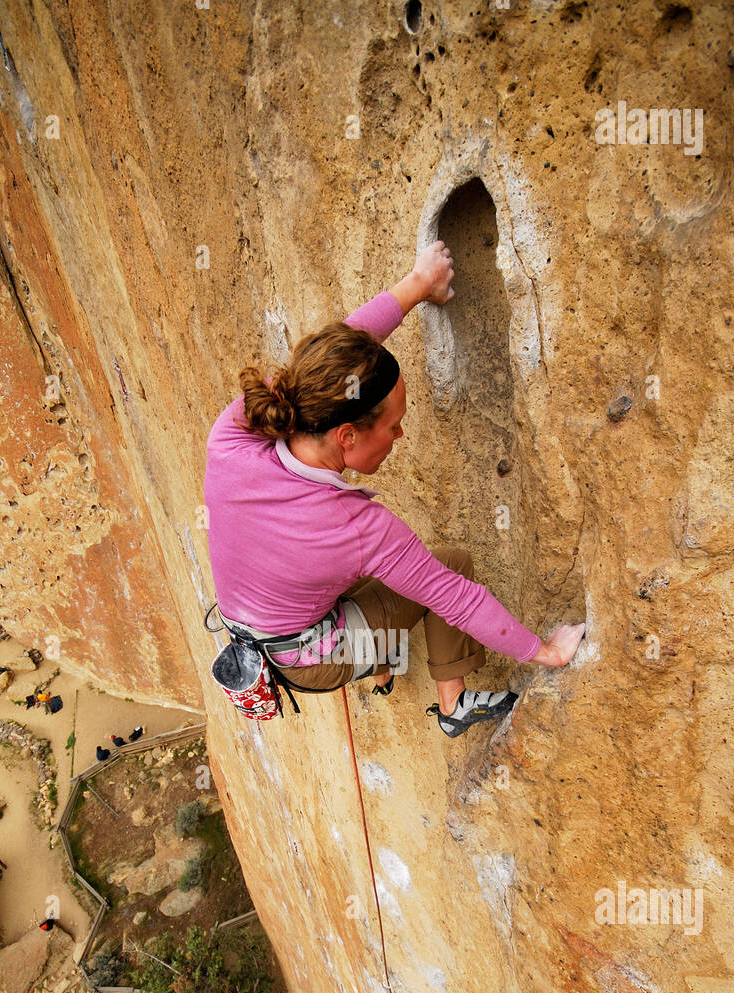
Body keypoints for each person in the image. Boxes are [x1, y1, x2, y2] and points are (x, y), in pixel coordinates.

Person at [204, 241, 585, 737]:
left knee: (341, 578)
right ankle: (455, 703)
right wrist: (546, 652)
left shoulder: (232, 435)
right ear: (347, 436)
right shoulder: (357, 528)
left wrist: (417, 286)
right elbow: (456, 597)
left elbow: (325, 371)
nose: (400, 436)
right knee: (451, 563)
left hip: (253, 627)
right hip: (312, 659)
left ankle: (382, 663)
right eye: (394, 426)